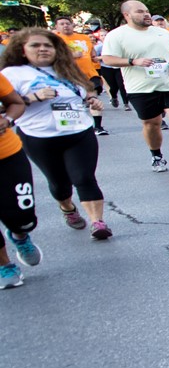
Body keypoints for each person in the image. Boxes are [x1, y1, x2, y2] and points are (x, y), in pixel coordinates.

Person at [2, 28, 111, 241]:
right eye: (35, 45)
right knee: (59, 183)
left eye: (48, 45)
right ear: (22, 50)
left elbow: (85, 91)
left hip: (79, 131)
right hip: (39, 136)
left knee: (84, 177)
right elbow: (4, 107)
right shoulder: (11, 74)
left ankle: (97, 222)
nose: (43, 49)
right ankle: (68, 208)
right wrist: (31, 97)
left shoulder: (67, 69)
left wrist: (91, 100)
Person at [100, 0, 169, 173]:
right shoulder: (116, 35)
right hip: (140, 87)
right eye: (140, 11)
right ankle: (157, 156)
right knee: (152, 123)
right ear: (127, 15)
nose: (146, 14)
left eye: (147, 11)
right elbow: (108, 59)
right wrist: (133, 61)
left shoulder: (162, 33)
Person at [0, 71, 37, 287]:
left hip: (7, 154)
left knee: (24, 218)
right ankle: (5, 266)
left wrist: (7, 119)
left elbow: (15, 103)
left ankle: (20, 234)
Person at [53, 16, 106, 136]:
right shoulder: (54, 40)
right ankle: (70, 129)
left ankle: (98, 127)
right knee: (71, 102)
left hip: (89, 73)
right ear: (56, 27)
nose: (65, 26)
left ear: (73, 25)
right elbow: (52, 58)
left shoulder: (84, 38)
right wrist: (71, 55)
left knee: (94, 98)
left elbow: (91, 53)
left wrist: (96, 58)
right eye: (61, 24)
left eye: (67, 23)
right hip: (68, 75)